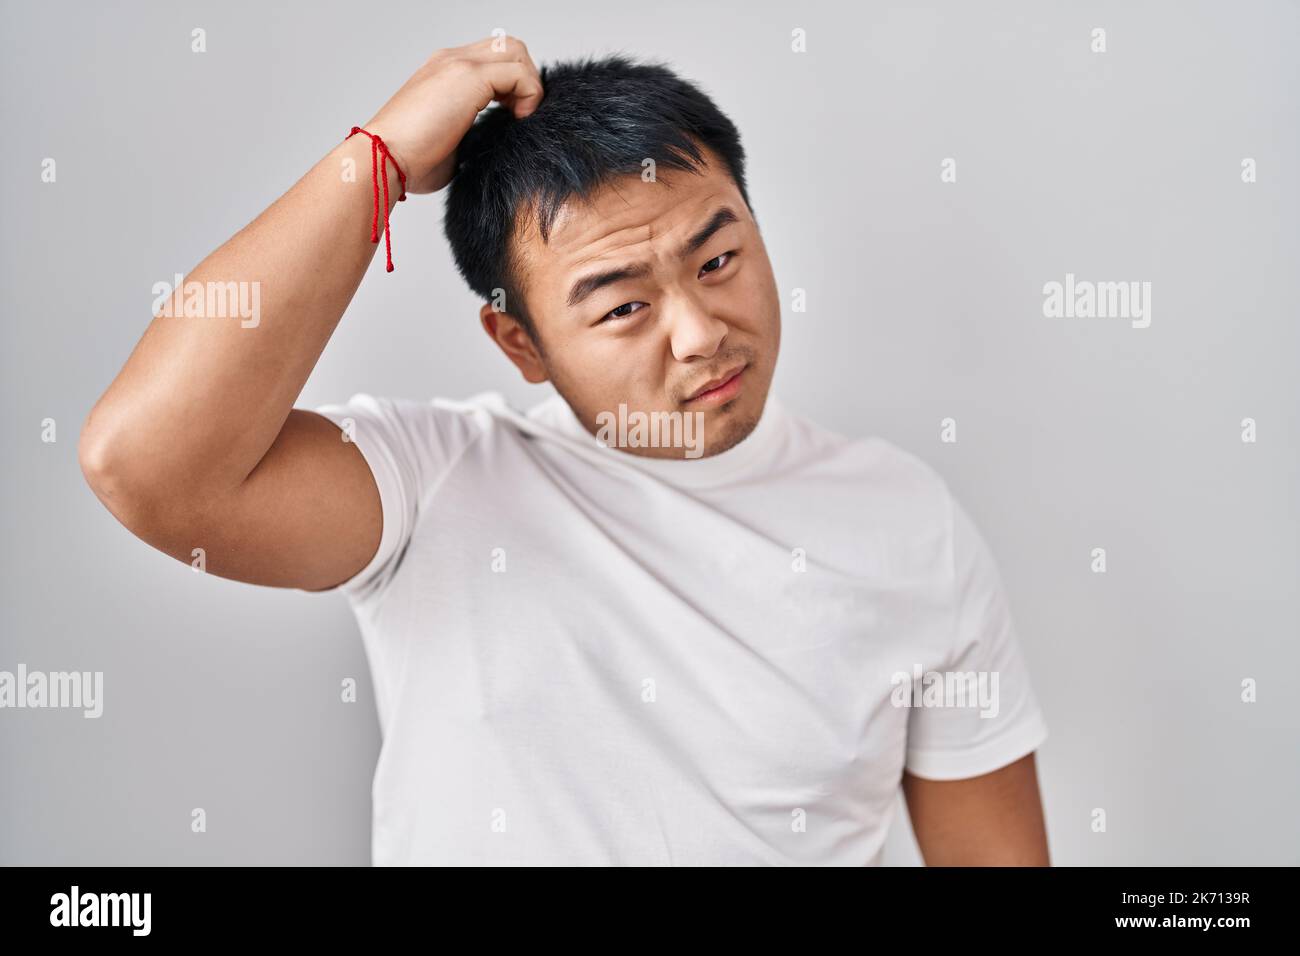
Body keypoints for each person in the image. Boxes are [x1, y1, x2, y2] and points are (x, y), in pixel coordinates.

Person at [79, 36, 1050, 866]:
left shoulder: (905, 518)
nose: (700, 332)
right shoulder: (437, 486)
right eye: (624, 305)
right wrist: (373, 159)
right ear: (523, 345)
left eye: (719, 260)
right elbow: (148, 464)